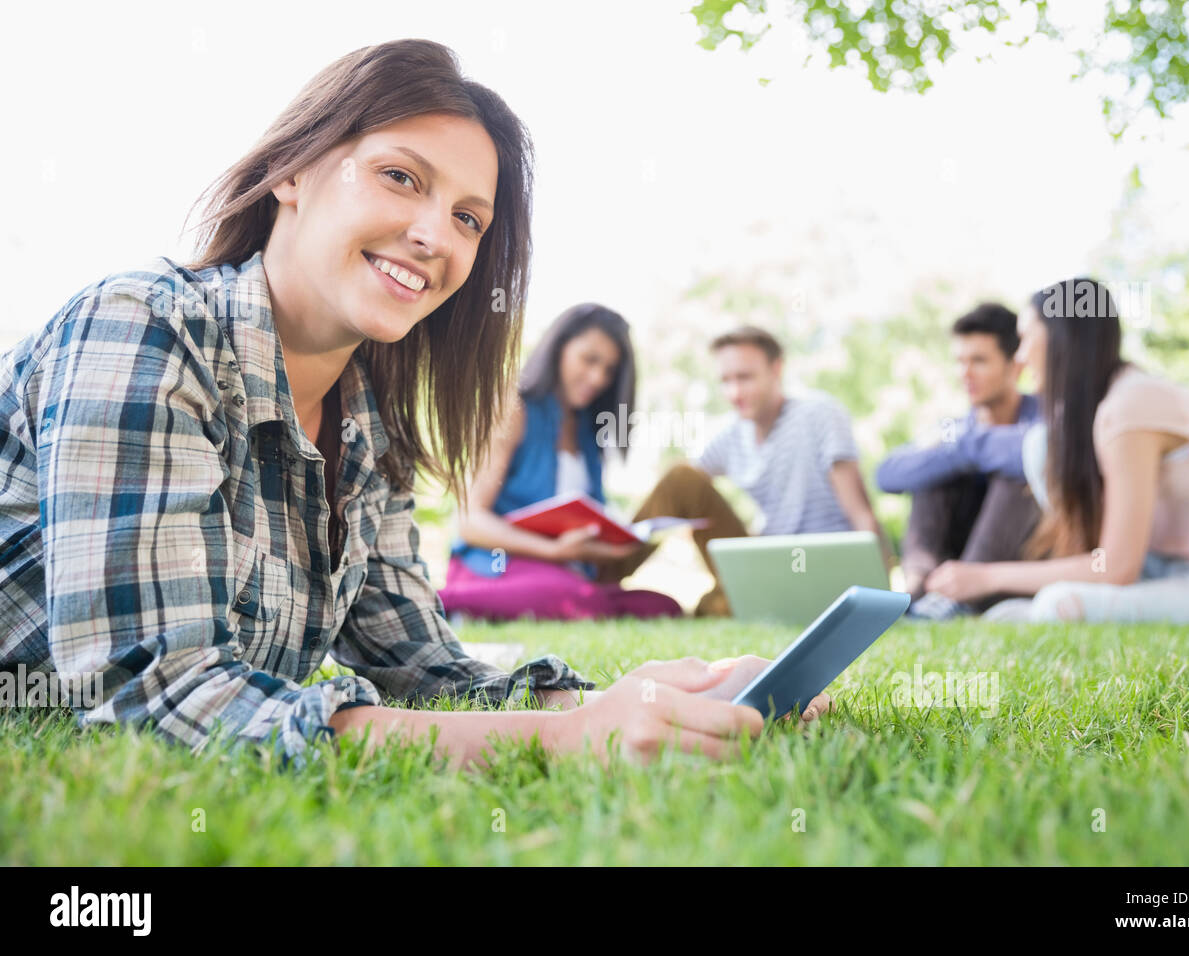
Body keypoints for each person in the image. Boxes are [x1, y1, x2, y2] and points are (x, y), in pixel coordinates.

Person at [0, 39, 829, 773]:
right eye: (401, 176)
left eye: (470, 218)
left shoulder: (370, 422)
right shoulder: (142, 327)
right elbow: (157, 700)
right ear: (292, 169)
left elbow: (423, 665)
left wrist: (642, 696)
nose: (437, 236)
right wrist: (569, 741)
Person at [925, 277, 1189, 622]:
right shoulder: (1109, 407)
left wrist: (986, 577)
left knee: (1058, 605)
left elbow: (1117, 568)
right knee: (1042, 447)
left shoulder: (1131, 406)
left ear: (1060, 340)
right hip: (1170, 566)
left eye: (1026, 338)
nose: (1019, 357)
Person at [595, 325, 894, 616]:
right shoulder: (732, 435)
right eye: (725, 380)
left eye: (745, 377)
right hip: (768, 558)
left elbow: (861, 512)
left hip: (820, 564)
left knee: (713, 606)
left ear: (776, 369)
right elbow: (679, 490)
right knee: (681, 477)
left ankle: (731, 600)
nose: (735, 391)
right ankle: (597, 583)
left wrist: (879, 595)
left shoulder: (819, 414)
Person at [439, 303, 684, 621]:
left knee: (663, 606)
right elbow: (471, 521)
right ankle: (447, 601)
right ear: (559, 348)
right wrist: (554, 551)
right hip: (496, 565)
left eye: (610, 369)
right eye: (589, 359)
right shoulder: (512, 410)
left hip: (565, 573)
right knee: (572, 598)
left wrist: (610, 543)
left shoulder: (588, 429)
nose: (598, 377)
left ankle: (499, 608)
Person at [875, 303, 1043, 618]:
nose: (964, 374)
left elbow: (1044, 457)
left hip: (1021, 561)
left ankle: (961, 596)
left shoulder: (1044, 417)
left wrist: (964, 446)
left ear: (1015, 365)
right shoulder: (955, 431)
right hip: (946, 564)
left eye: (978, 361)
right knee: (930, 474)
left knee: (1016, 472)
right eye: (959, 361)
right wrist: (962, 450)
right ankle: (916, 590)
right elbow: (887, 475)